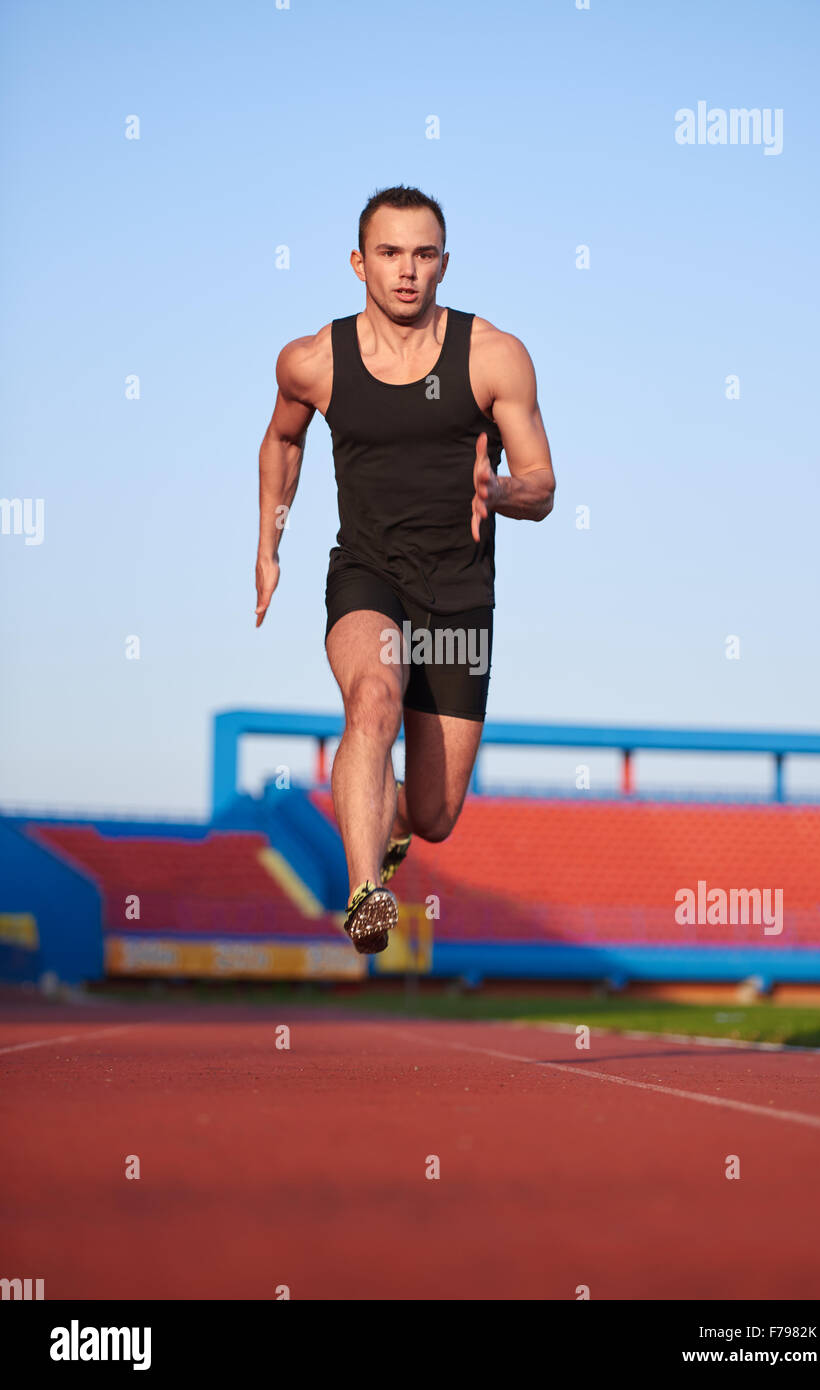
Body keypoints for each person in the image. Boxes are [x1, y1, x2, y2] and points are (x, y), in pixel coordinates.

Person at [255, 185, 555, 954]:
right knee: (373, 695)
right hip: (367, 573)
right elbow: (283, 441)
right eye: (389, 253)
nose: (406, 271)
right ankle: (366, 894)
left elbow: (543, 485)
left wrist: (500, 491)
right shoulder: (313, 360)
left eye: (423, 254)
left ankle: (389, 823)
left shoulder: (493, 355)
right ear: (359, 262)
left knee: (434, 814)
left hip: (457, 596)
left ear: (444, 263)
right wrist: (269, 544)